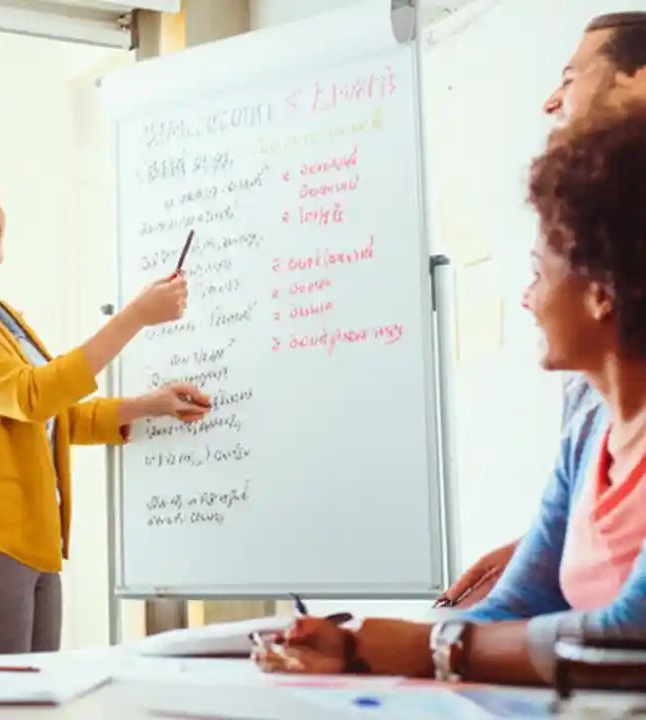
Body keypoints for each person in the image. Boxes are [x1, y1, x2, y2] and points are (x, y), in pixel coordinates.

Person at [254, 105, 646, 687]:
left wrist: (434, 647)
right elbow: (517, 604)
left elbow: (630, 638)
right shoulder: (590, 433)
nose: (527, 299)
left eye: (537, 274)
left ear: (602, 294)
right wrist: (357, 648)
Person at [0, 153, 212, 653]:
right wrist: (135, 318)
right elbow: (29, 397)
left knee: (35, 694)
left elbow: (49, 412)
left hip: (31, 542)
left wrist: (147, 405)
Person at [437, 10, 646, 609]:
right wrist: (543, 556)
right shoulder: (589, 430)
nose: (552, 102)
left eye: (571, 77)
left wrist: (453, 647)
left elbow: (628, 626)